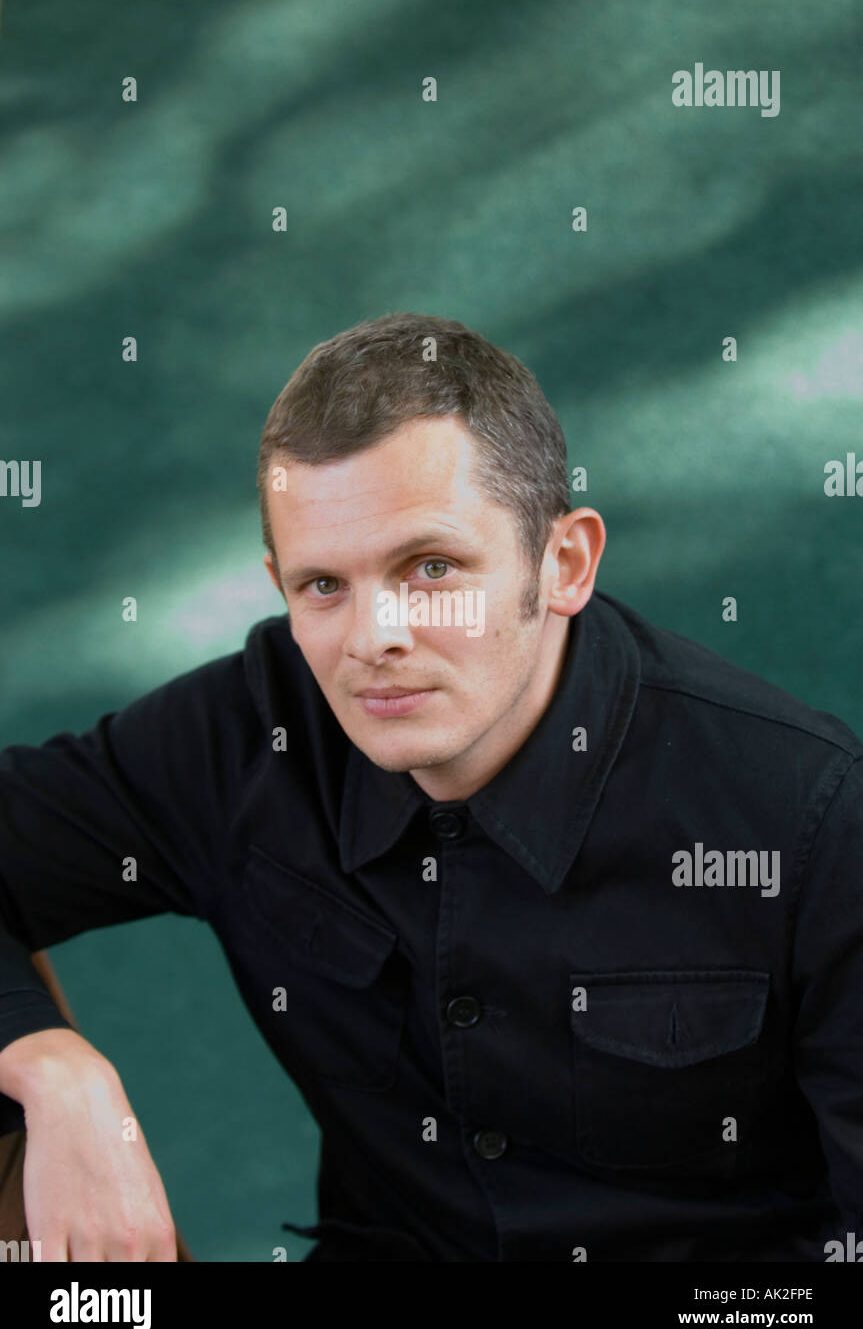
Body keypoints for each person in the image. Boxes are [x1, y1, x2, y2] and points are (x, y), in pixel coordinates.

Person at [0, 312, 861, 1262]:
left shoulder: (809, 816)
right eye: (323, 585)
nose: (374, 637)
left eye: (431, 567)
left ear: (562, 562)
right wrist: (47, 1067)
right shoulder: (246, 735)